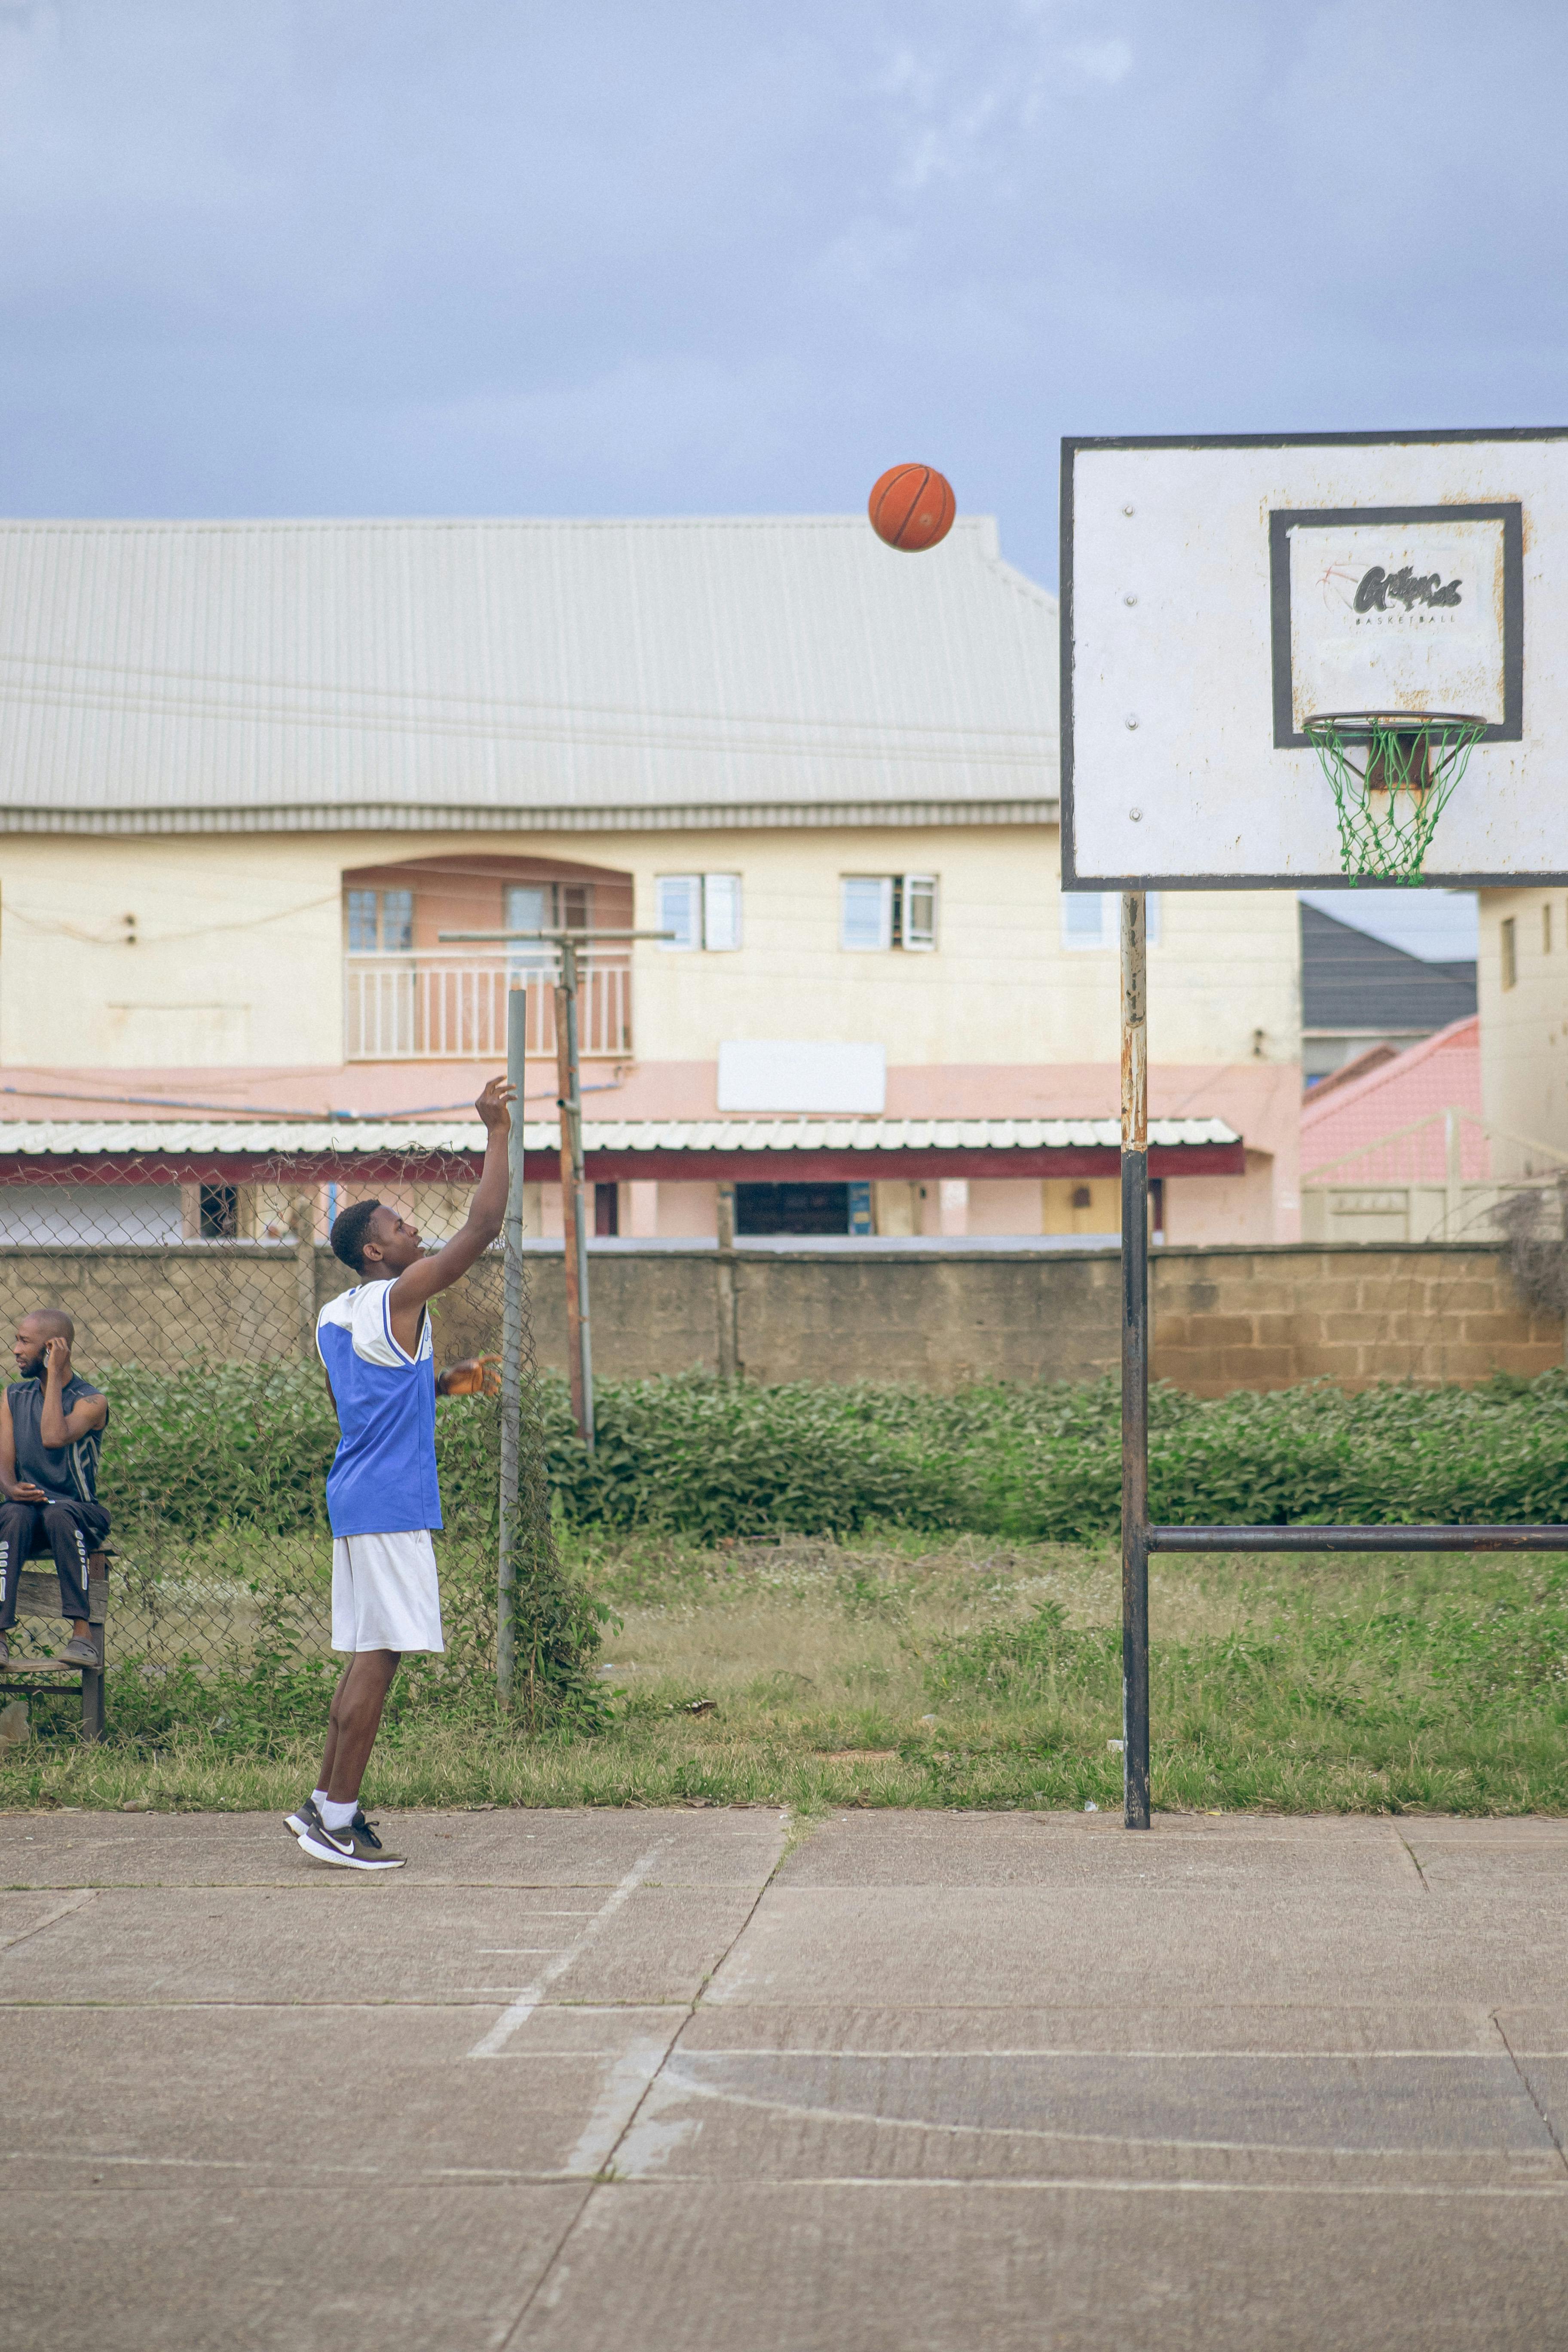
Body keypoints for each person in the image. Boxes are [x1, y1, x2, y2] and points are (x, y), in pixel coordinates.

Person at [291, 1074, 515, 1871]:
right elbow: (483, 1227)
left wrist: (443, 1384)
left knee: (367, 1650)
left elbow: (357, 1404)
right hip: (390, 1502)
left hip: (355, 1494)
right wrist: (495, 1132)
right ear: (376, 1252)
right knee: (381, 1656)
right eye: (398, 1223)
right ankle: (336, 1822)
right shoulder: (401, 1294)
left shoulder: (335, 1316)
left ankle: (322, 1803)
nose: (413, 1224)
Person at [0, 1310, 110, 1669]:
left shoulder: (91, 1401)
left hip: (79, 1513)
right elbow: (4, 1461)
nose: (16, 1350)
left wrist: (53, 1377)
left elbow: (53, 1436)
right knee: (12, 1514)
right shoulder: (13, 1396)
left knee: (59, 1513)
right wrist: (11, 1488)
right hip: (29, 1515)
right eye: (16, 1340)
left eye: (24, 1342)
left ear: (52, 1349)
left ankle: (82, 1636)